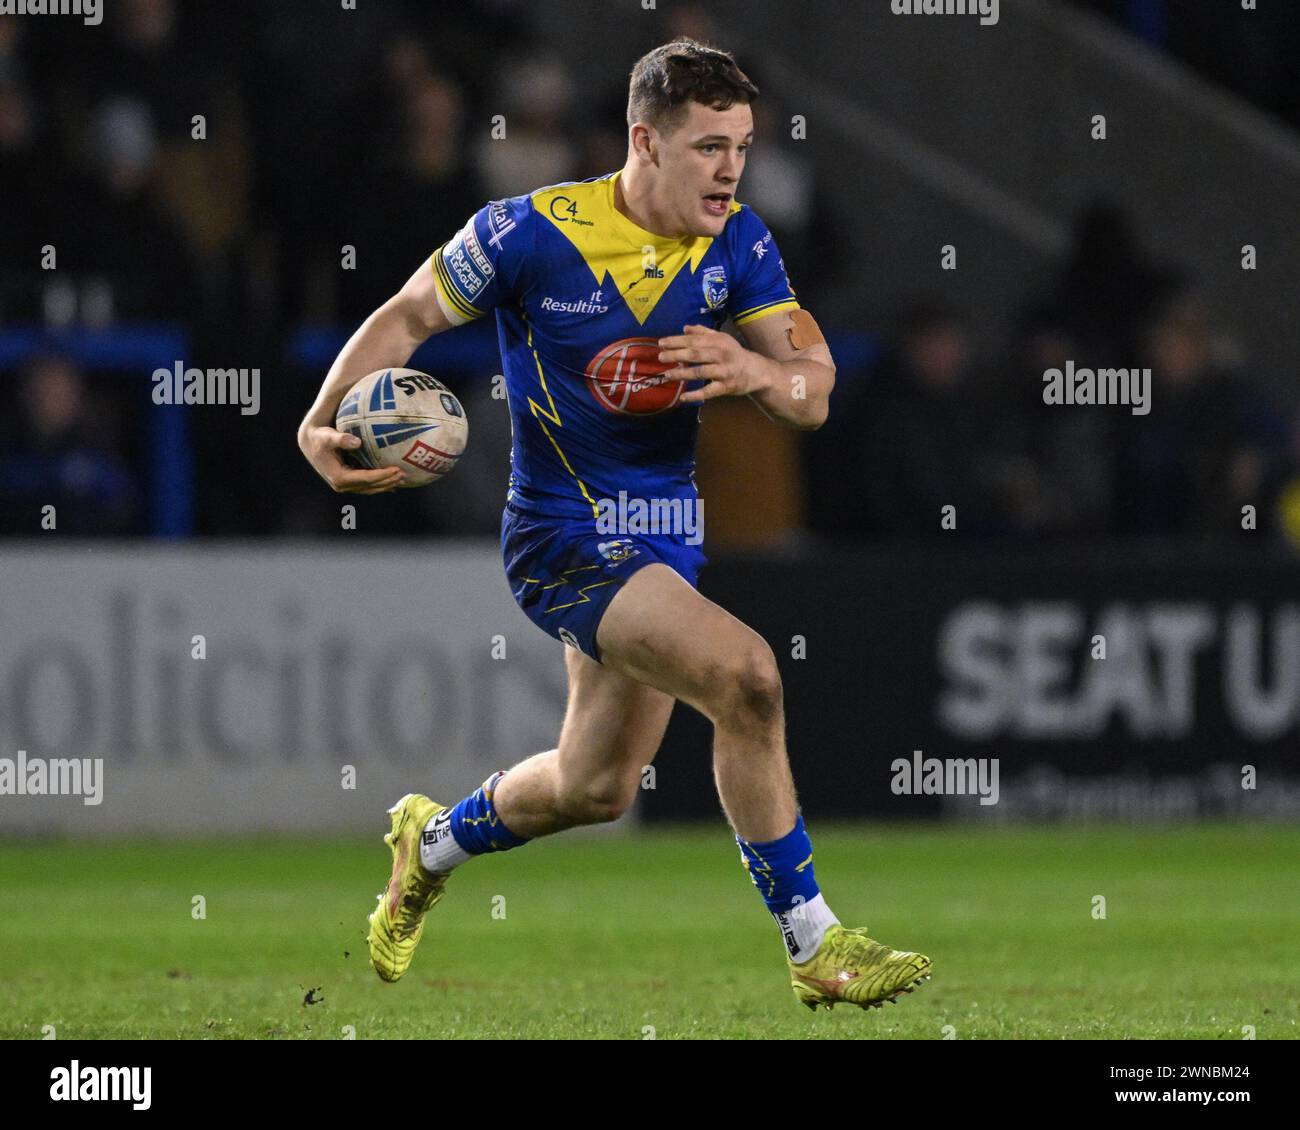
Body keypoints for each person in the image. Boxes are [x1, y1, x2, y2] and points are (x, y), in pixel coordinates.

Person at [297, 37, 931, 1012]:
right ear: (645, 139)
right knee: (748, 675)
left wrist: (762, 372)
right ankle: (815, 943)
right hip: (563, 540)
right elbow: (409, 315)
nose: (730, 169)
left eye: (743, 146)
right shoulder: (529, 233)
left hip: (665, 544)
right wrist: (319, 416)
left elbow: (812, 391)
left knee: (596, 786)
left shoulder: (739, 243)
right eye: (709, 146)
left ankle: (430, 841)